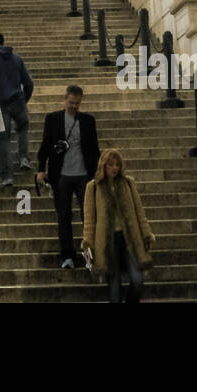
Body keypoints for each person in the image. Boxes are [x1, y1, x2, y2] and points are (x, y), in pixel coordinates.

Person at [36, 85, 101, 269]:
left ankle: (89, 257)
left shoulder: (88, 121)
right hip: (61, 175)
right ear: (65, 99)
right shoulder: (53, 119)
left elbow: (94, 150)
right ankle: (67, 256)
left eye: (77, 103)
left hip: (84, 175)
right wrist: (41, 169)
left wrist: (98, 172)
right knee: (63, 216)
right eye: (71, 102)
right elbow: (45, 146)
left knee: (87, 219)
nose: (74, 106)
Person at [81, 149, 156, 304]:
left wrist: (146, 234)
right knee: (114, 290)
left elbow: (139, 211)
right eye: (110, 165)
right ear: (103, 166)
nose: (114, 168)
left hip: (129, 238)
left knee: (137, 279)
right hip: (107, 242)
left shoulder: (128, 183)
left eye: (117, 165)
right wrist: (88, 244)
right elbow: (89, 220)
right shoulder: (93, 187)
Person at [0, 31, 33, 186]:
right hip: (18, 100)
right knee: (22, 128)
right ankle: (24, 158)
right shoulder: (17, 59)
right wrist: (24, 99)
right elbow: (28, 83)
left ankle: (6, 175)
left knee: (2, 140)